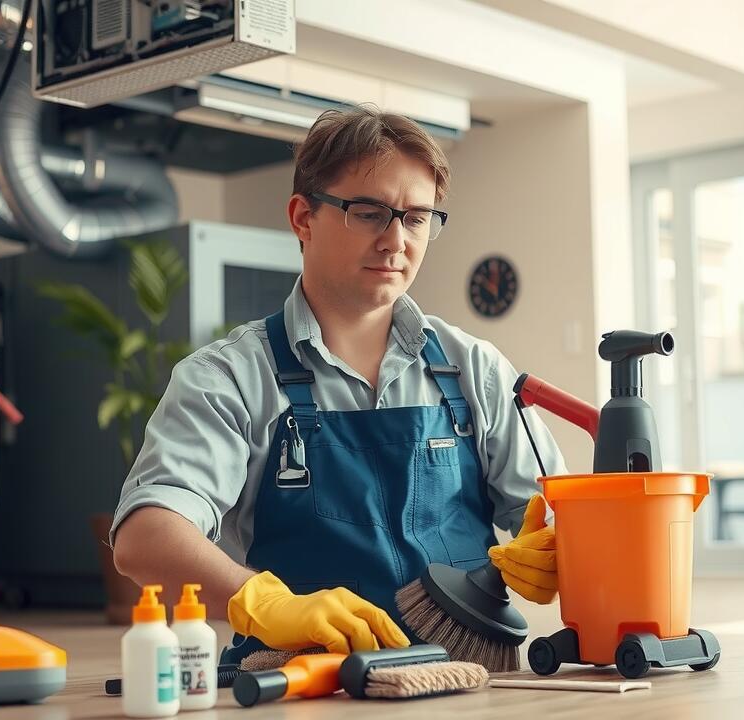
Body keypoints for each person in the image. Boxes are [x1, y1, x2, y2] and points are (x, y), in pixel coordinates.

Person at [111, 105, 566, 659]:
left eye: (416, 218)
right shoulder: (229, 378)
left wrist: (558, 544)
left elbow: (558, 516)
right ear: (303, 218)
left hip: (470, 680)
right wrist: (264, 604)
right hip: (302, 680)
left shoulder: (477, 370)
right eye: (370, 213)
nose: (396, 241)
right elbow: (145, 536)